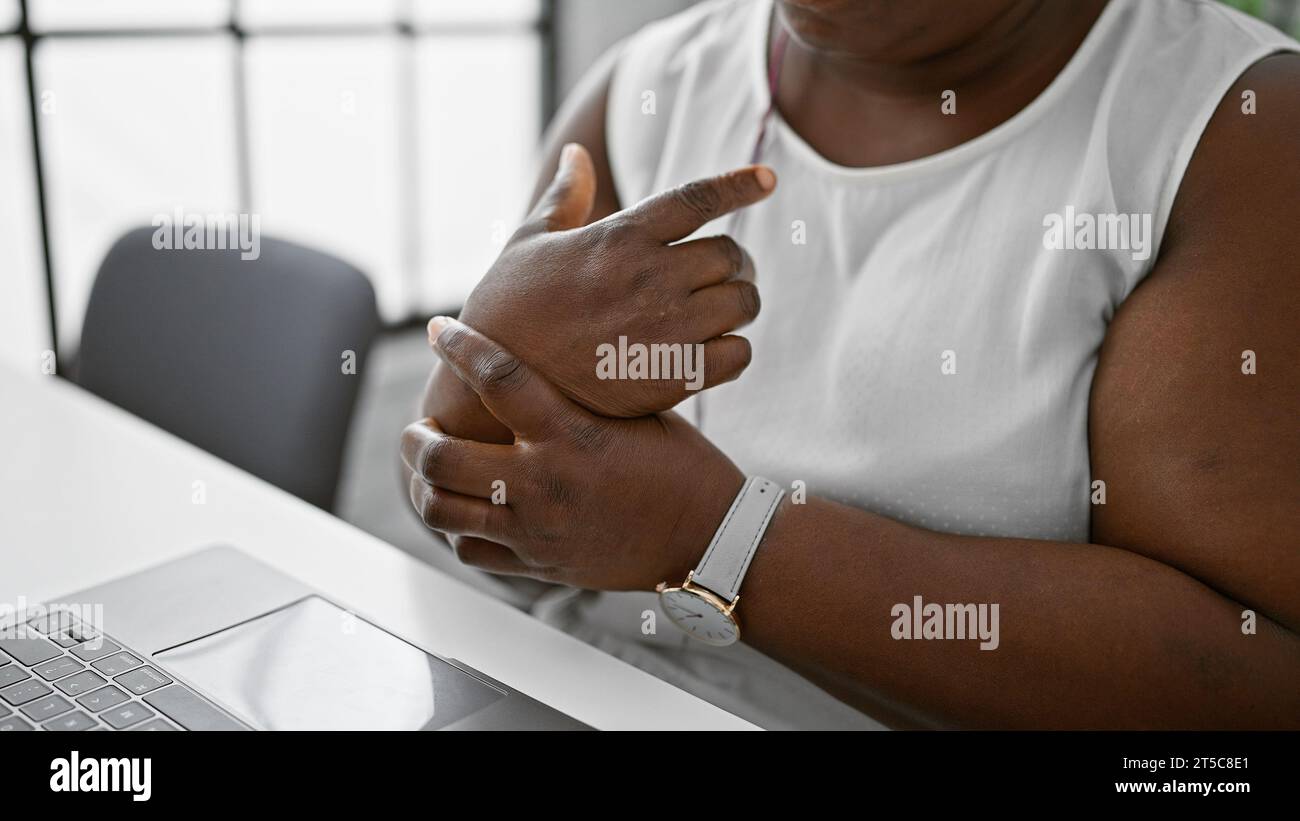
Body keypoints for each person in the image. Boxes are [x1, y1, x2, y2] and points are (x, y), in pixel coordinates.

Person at [401, 0, 1300, 729]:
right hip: (573, 690)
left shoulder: (1230, 136)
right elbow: (479, 521)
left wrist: (715, 538)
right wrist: (495, 352)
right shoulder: (650, 87)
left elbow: (1247, 689)